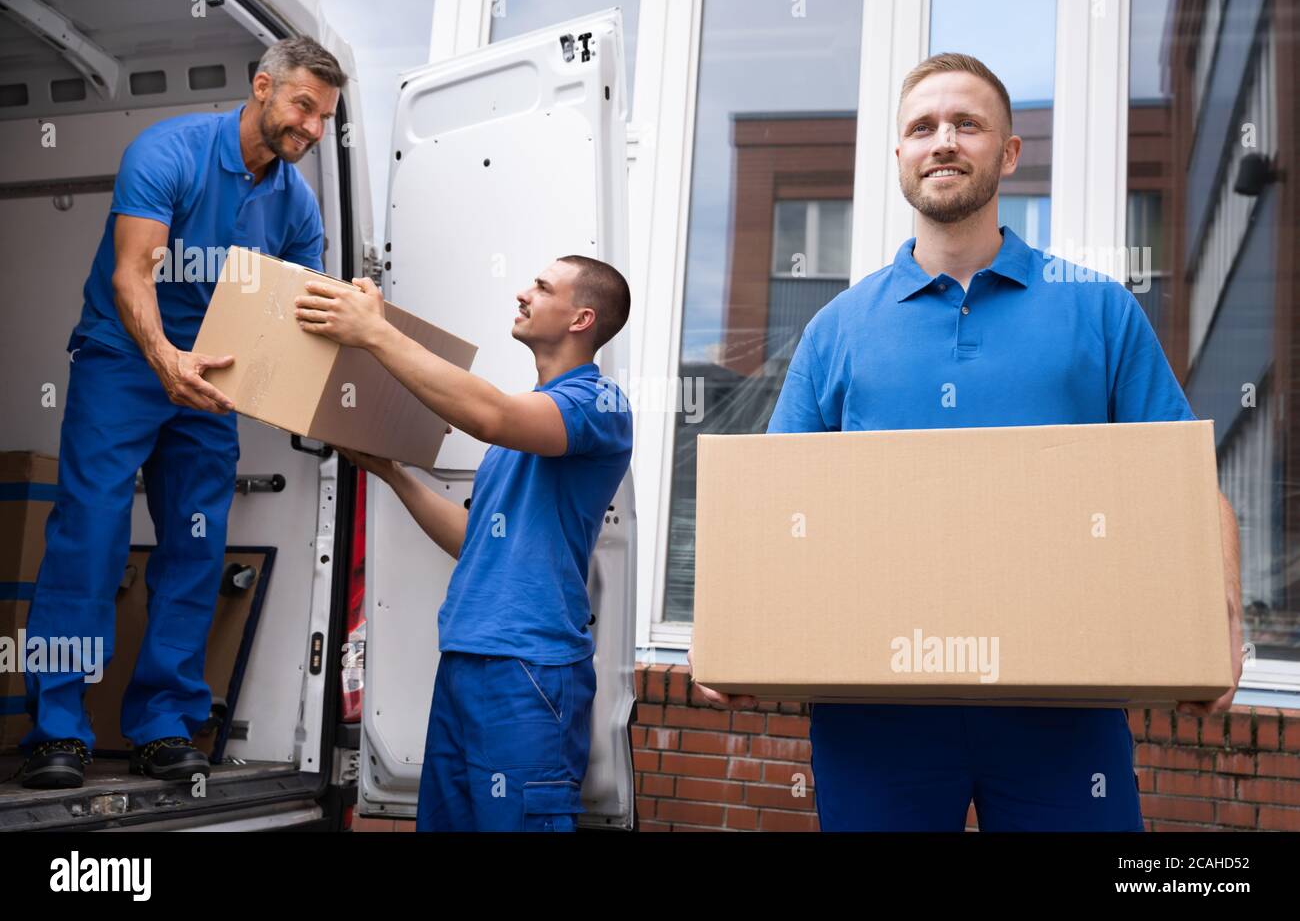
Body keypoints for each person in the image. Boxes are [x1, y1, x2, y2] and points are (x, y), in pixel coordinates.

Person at [690, 52, 1243, 831]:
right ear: (900, 156)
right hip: (876, 705)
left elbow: (1188, 484)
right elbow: (778, 508)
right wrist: (732, 628)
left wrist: (1220, 608)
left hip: (1063, 701)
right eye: (922, 127)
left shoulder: (1099, 310)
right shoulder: (836, 330)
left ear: (1009, 152)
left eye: (967, 124)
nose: (942, 141)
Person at [19, 37, 346, 789]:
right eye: (303, 106)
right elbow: (134, 271)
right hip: (125, 361)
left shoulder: (296, 204)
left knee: (195, 548)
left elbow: (302, 312)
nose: (313, 129)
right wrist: (165, 358)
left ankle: (163, 723)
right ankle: (56, 729)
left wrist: (352, 310)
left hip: (213, 377)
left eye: (325, 117)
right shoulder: (168, 151)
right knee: (90, 534)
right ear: (263, 87)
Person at [294, 255, 632, 831]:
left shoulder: (600, 406)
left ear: (581, 319)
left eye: (542, 287)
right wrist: (392, 471)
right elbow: (475, 541)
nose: (523, 293)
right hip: (467, 661)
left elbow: (490, 415)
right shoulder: (519, 431)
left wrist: (374, 331)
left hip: (531, 671)